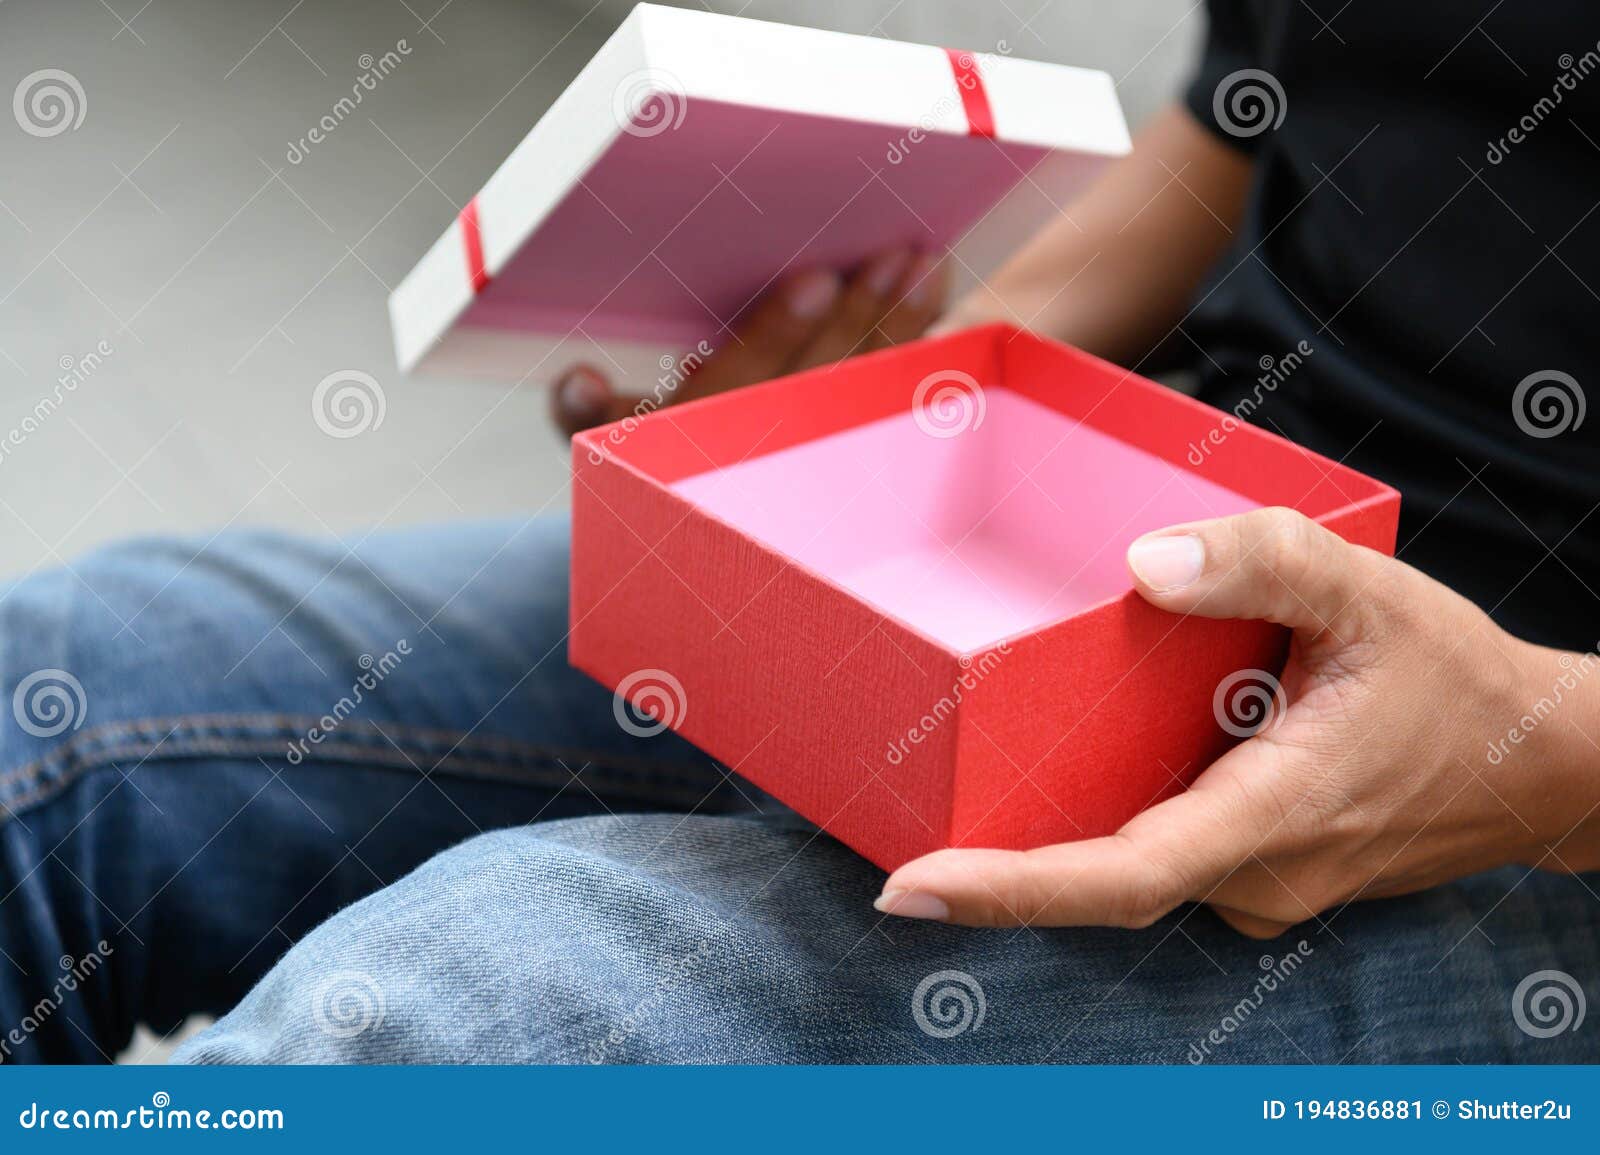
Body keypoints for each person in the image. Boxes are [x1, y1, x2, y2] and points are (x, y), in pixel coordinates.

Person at [2, 2, 1597, 1064]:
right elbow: (1266, 116)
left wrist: (1525, 754)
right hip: (1160, 544)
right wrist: (896, 408)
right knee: (72, 693)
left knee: (474, 1020)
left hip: (1538, 779)